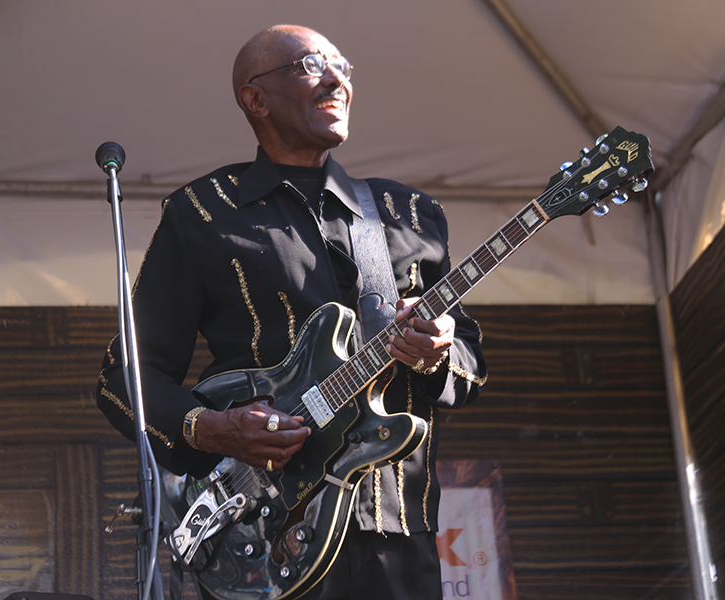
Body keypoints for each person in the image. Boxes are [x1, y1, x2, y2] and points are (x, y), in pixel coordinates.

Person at [97, 24, 486, 600]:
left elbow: (471, 368)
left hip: (396, 531)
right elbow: (122, 379)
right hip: (261, 532)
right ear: (255, 98)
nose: (337, 80)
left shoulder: (409, 213)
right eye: (311, 65)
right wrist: (212, 429)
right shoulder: (203, 213)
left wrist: (436, 353)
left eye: (343, 67)